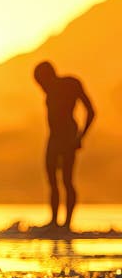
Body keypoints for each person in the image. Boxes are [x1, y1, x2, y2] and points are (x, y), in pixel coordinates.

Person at [33, 61, 95, 232]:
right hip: (54, 138)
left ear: (48, 76)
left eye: (41, 82)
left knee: (67, 180)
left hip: (68, 137)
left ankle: (66, 225)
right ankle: (54, 222)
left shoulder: (70, 84)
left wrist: (80, 137)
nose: (41, 87)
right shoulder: (49, 91)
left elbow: (91, 110)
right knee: (52, 180)